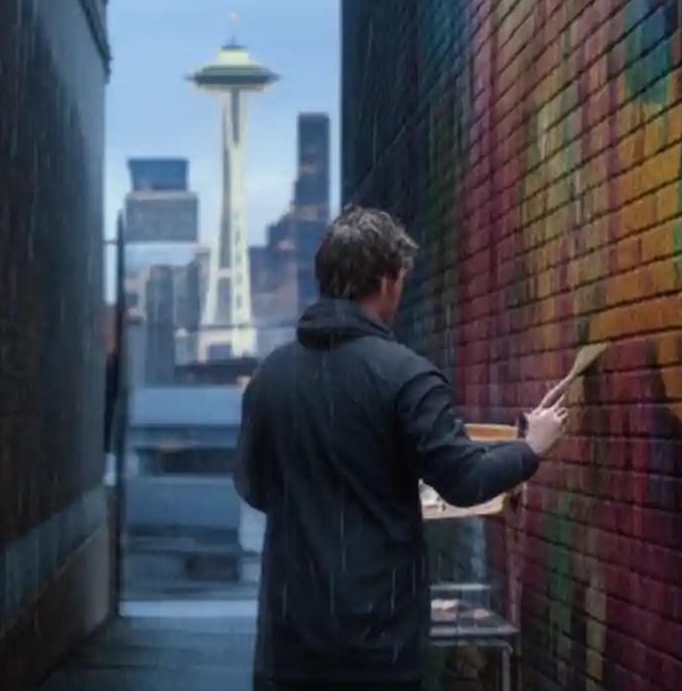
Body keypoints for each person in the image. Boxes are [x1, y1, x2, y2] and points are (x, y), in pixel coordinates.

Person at [235, 206, 569, 690]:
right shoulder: (406, 377)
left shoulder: (270, 378)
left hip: (288, 644)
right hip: (377, 646)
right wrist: (530, 448)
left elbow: (254, 487)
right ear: (390, 280)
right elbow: (465, 481)